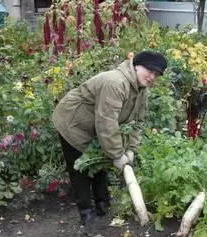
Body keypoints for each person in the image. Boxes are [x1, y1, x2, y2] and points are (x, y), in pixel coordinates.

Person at [53, 50, 167, 226]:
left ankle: (103, 205)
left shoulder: (142, 90)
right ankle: (86, 214)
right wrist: (116, 154)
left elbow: (138, 122)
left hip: (93, 126)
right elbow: (106, 123)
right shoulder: (115, 82)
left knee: (101, 164)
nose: (152, 77)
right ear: (136, 66)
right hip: (73, 123)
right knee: (80, 168)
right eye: (149, 71)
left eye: (156, 74)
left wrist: (130, 149)